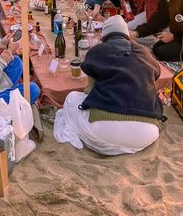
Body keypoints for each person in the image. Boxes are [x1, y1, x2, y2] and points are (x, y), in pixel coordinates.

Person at [54, 15, 164, 155]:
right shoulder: (145, 53)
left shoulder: (98, 51)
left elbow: (89, 90)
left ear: (104, 37)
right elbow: (156, 74)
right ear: (126, 34)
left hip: (107, 130)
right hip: (147, 132)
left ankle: (109, 144)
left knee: (72, 98)